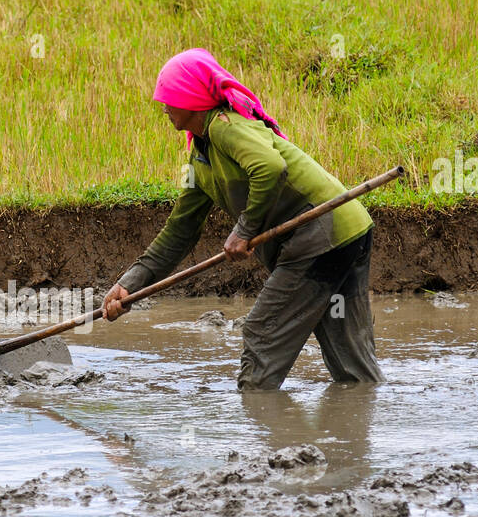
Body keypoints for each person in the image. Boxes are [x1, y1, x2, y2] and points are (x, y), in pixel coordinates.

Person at [102, 48, 384, 390]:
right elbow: (180, 231)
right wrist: (131, 284)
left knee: (261, 331)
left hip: (321, 233)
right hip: (347, 230)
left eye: (169, 98)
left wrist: (244, 230)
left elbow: (270, 167)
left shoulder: (226, 127)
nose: (163, 107)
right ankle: (355, 427)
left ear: (191, 99)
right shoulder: (201, 160)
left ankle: (258, 419)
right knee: (351, 357)